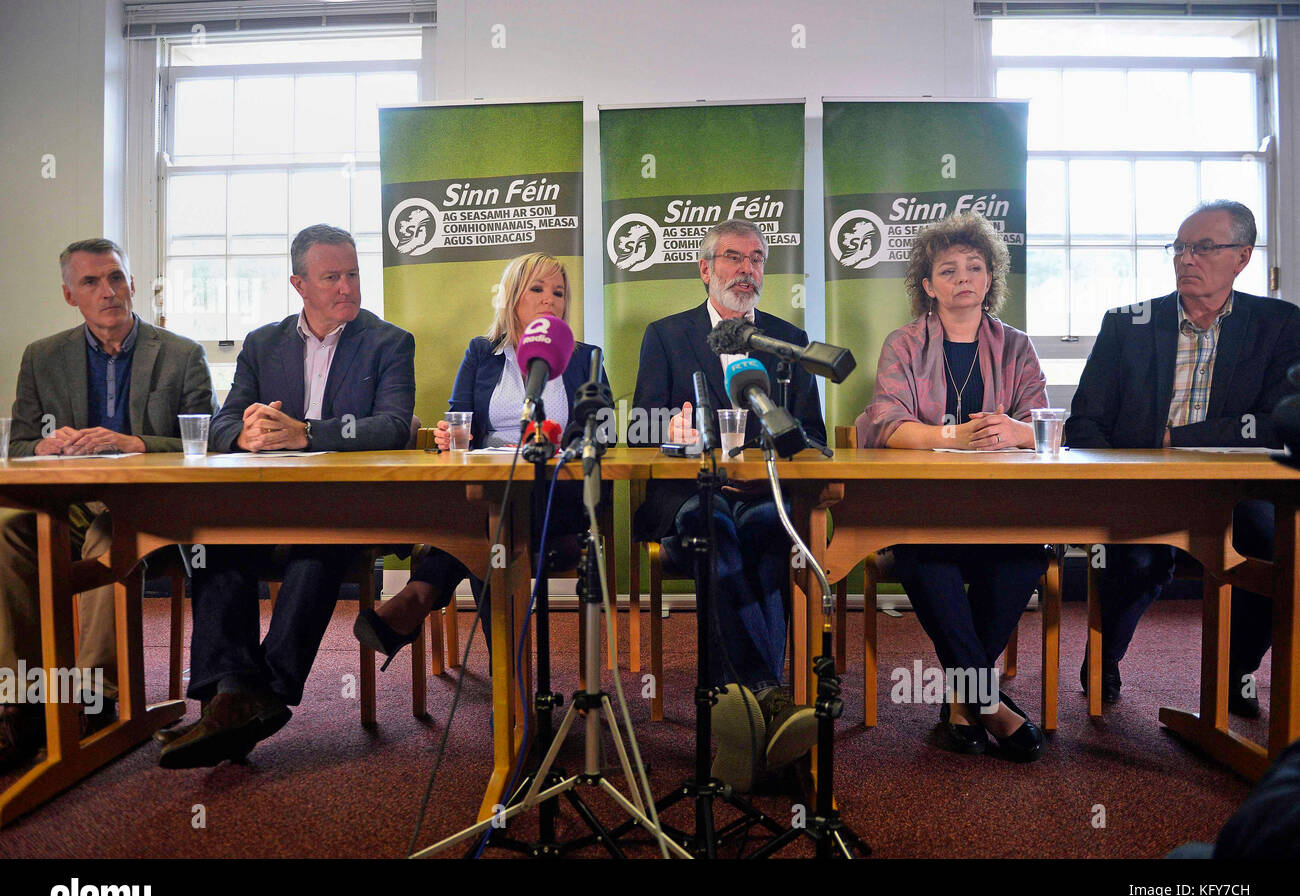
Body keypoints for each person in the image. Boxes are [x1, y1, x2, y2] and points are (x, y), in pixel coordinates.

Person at [157, 224, 415, 769]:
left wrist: (307, 433)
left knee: (319, 545)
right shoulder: (261, 343)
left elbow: (393, 426)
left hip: (343, 509)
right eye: (331, 277)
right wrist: (242, 436)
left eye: (353, 274)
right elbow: (226, 418)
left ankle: (257, 694)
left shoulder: (389, 341)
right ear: (299, 284)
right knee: (213, 543)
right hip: (263, 507)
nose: (347, 287)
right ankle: (234, 691)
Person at [1064, 200, 1300, 716]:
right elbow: (1085, 422)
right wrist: (1125, 475)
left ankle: (1237, 670)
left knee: (1278, 547)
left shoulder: (1279, 325)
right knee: (1137, 556)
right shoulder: (1127, 325)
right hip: (1142, 488)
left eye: (1204, 248)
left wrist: (1175, 438)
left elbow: (1276, 422)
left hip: (1236, 492)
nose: (1187, 258)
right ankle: (1105, 658)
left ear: (1242, 257)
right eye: (1180, 247)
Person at [0, 238, 216, 773]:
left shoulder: (181, 354)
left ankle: (95, 698)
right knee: (6, 527)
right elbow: (20, 446)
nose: (108, 291)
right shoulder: (42, 356)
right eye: (92, 282)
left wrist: (134, 442)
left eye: (116, 277)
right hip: (68, 502)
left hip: (153, 511)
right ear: (70, 295)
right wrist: (45, 446)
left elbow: (209, 444)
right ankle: (24, 701)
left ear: (133, 283)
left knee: (106, 535)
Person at [631, 218, 824, 792]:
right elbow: (639, 431)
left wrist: (780, 455)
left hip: (763, 495)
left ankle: (735, 729)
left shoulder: (787, 340)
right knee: (714, 530)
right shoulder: (666, 335)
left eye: (758, 259)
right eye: (734, 258)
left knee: (765, 533)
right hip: (693, 494)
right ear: (705, 269)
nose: (747, 270)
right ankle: (770, 699)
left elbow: (813, 438)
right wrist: (670, 428)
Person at [858, 211, 1047, 761]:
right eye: (948, 270)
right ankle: (989, 704)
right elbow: (885, 422)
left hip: (1001, 510)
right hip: (925, 509)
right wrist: (953, 437)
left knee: (1024, 557)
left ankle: (964, 702)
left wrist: (1019, 430)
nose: (963, 277)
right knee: (923, 555)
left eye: (975, 267)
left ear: (990, 278)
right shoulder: (904, 343)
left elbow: (1046, 425)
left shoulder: (1016, 346)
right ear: (927, 285)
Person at [352, 252, 607, 659]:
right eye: (537, 289)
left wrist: (549, 446)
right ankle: (509, 681)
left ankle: (421, 593)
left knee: (485, 527)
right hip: (489, 486)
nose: (550, 300)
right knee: (488, 524)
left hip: (556, 491)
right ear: (511, 297)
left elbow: (602, 430)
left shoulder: (584, 356)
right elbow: (460, 418)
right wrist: (449, 435)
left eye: (558, 293)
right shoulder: (481, 352)